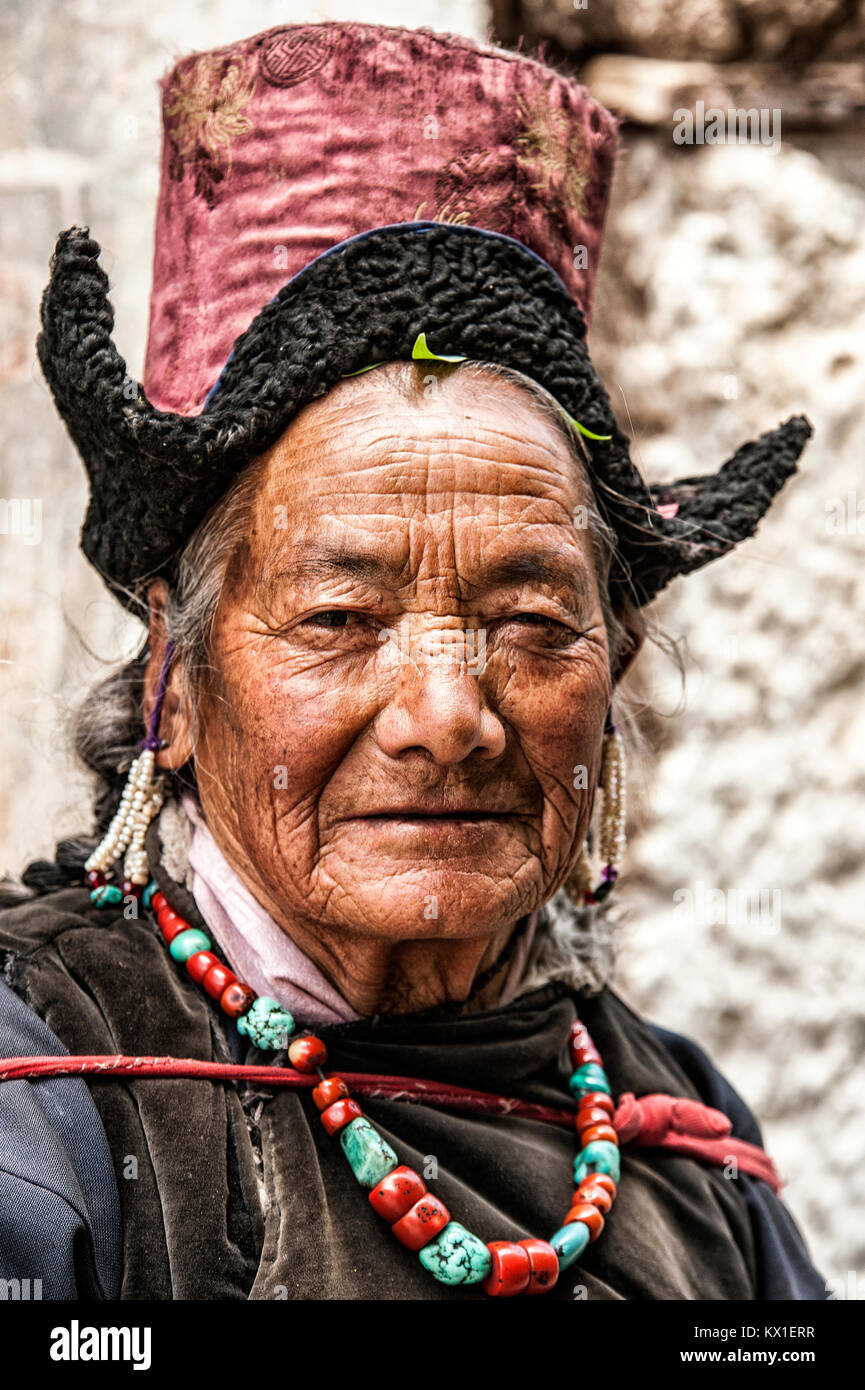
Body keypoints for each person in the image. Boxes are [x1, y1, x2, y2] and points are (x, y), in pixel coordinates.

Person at [0, 20, 824, 1300]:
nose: (450, 716)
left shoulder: (688, 1143)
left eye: (531, 621)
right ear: (174, 678)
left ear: (612, 676)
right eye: (338, 618)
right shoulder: (42, 1101)